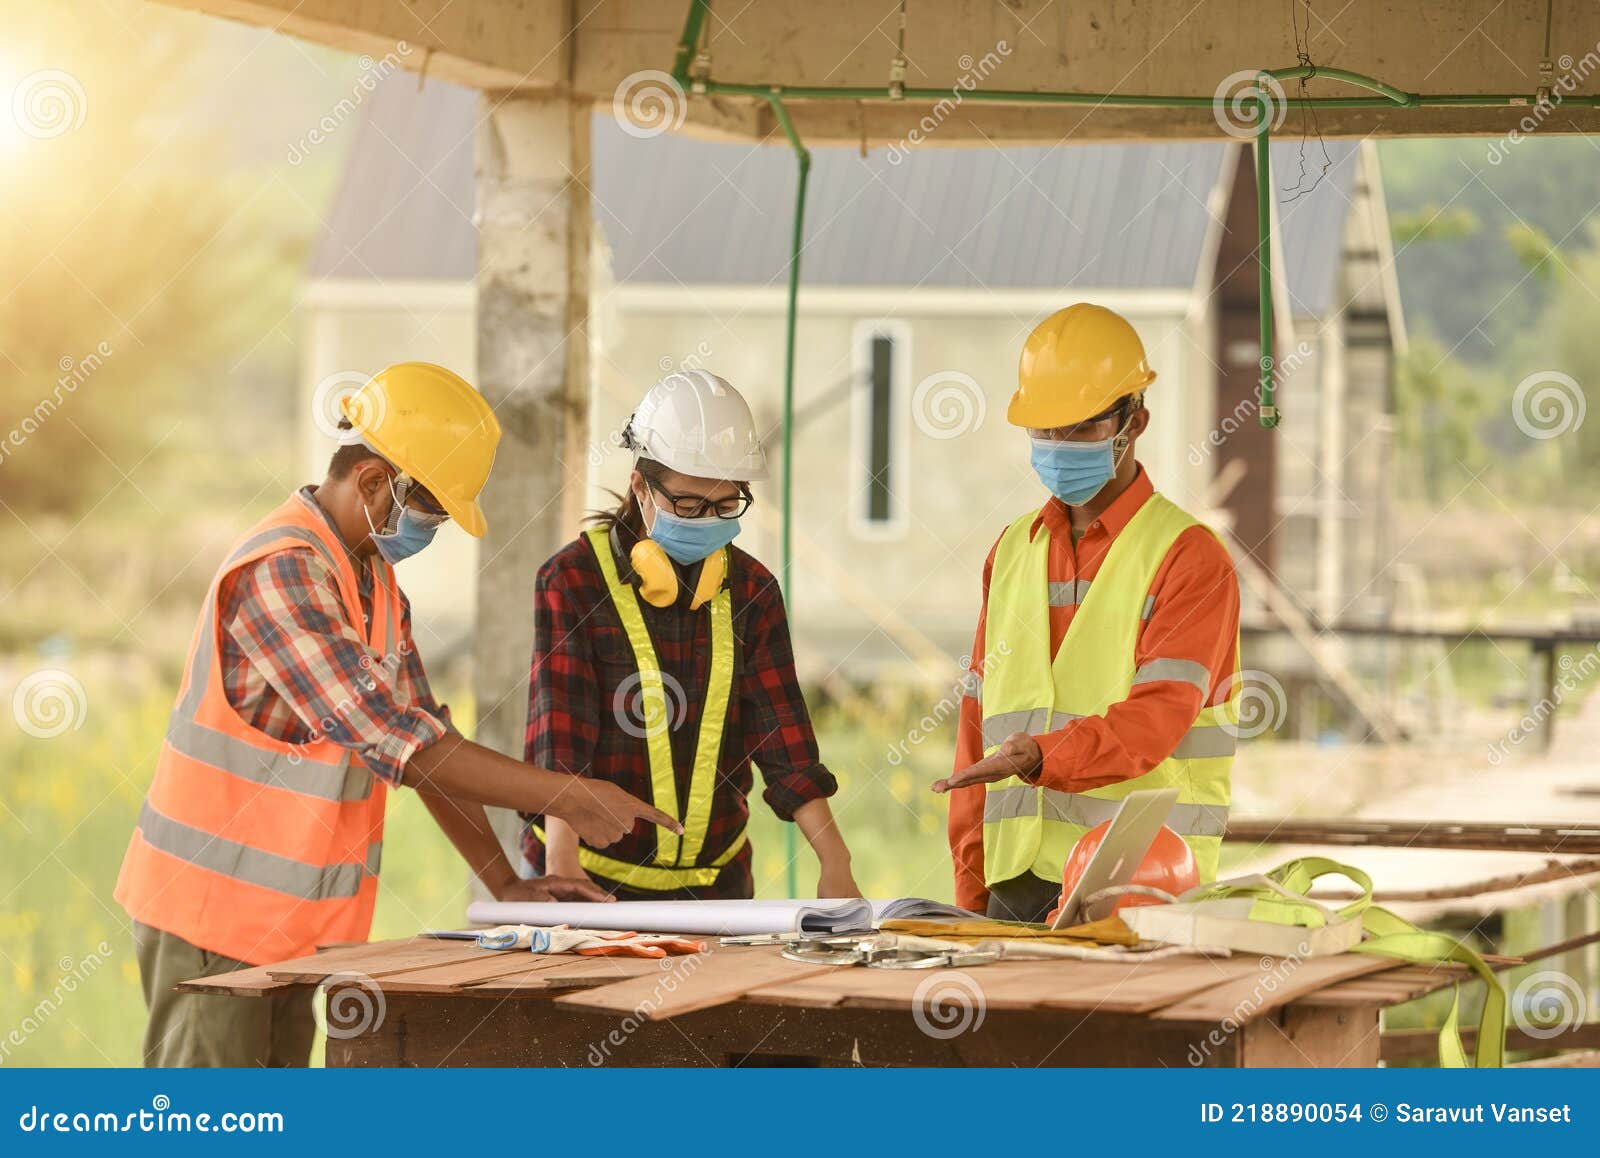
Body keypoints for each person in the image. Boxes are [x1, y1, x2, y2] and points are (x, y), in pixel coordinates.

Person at [115, 362, 678, 1067]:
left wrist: (506, 883)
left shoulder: (374, 584)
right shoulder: (284, 571)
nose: (434, 527)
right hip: (210, 917)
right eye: (433, 507)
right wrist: (568, 794)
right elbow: (407, 749)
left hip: (288, 930)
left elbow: (427, 735)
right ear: (377, 481)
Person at [933, 305, 1241, 922]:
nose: (1057, 447)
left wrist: (1045, 756)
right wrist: (972, 893)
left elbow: (1156, 721)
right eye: (1043, 431)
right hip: (1014, 887)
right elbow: (977, 730)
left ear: (1136, 422)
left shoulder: (1189, 558)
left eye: (1078, 429)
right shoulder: (1012, 550)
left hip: (1140, 881)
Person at [524, 370, 859, 901]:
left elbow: (784, 739)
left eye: (726, 506)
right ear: (641, 487)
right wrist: (561, 862)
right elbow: (560, 733)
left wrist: (835, 861)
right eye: (687, 505)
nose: (707, 522)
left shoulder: (751, 589)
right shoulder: (573, 580)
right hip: (591, 879)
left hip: (716, 884)